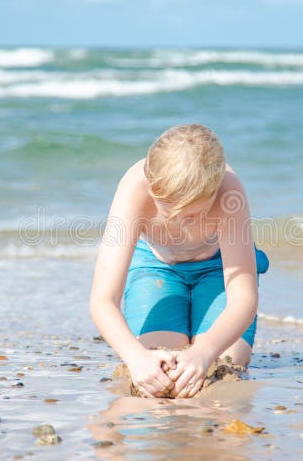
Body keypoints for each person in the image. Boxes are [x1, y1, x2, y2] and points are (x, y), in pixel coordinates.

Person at [89, 124, 269, 399]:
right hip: (156, 266)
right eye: (168, 211)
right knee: (164, 374)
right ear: (152, 186)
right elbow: (103, 299)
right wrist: (135, 357)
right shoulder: (135, 189)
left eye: (193, 214)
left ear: (215, 188)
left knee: (221, 370)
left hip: (218, 267)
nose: (178, 223)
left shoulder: (228, 191)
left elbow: (243, 299)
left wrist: (204, 351)